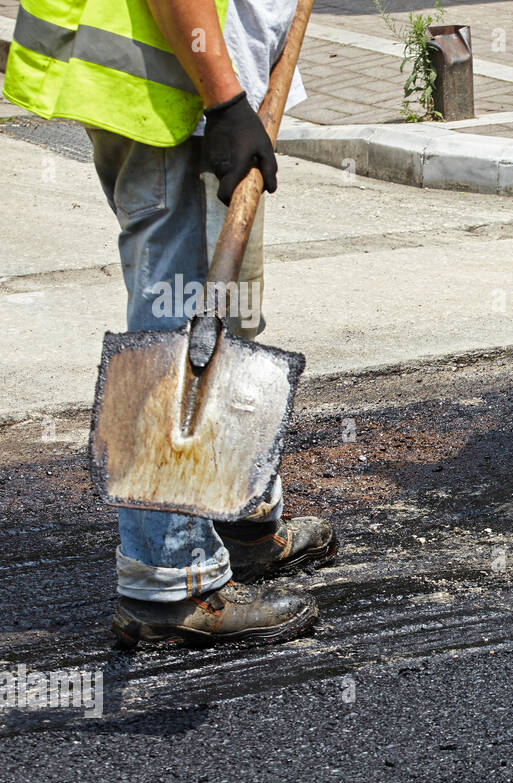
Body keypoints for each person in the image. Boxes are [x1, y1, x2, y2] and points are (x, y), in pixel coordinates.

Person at [4, 0, 336, 646]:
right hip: (173, 87)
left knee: (230, 306)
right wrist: (224, 101)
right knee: (177, 319)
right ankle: (169, 572)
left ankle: (241, 512)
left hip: (210, 78)